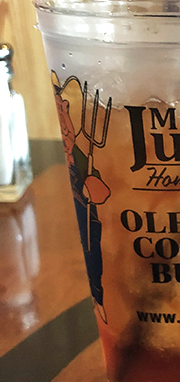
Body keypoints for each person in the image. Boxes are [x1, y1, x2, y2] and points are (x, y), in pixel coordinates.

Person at [52, 72, 110, 323]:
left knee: (96, 260)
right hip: (84, 222)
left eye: (66, 112)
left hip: (93, 223)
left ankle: (99, 297)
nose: (64, 126)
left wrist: (91, 185)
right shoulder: (77, 152)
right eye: (60, 112)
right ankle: (99, 303)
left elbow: (103, 191)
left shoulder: (84, 156)